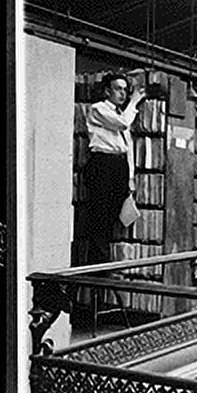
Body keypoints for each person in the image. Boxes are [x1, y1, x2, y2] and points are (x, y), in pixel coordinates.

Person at [82, 70, 145, 268]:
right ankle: (98, 267)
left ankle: (103, 263)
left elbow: (127, 148)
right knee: (99, 215)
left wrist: (130, 178)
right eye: (118, 89)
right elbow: (122, 124)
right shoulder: (98, 109)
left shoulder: (121, 112)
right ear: (107, 91)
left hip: (119, 165)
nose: (122, 93)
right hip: (102, 164)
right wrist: (134, 102)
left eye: (125, 90)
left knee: (112, 216)